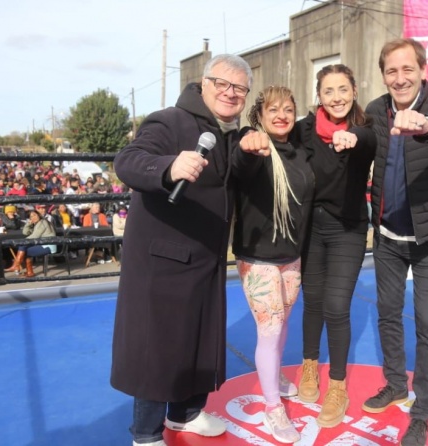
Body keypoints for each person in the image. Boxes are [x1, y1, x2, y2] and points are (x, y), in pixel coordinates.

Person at [110, 54, 252, 446]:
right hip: (163, 259)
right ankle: (146, 433)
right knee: (159, 349)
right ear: (203, 83)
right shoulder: (169, 120)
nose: (230, 93)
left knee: (200, 338)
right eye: (222, 83)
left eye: (239, 88)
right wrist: (169, 167)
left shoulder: (228, 134)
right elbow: (129, 161)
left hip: (205, 257)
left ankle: (186, 415)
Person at [362, 38, 428, 446]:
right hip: (389, 235)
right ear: (384, 75)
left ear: (422, 70)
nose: (400, 77)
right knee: (388, 313)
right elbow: (359, 138)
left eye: (407, 69)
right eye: (392, 70)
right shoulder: (377, 110)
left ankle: (422, 411)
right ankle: (395, 385)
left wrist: (427, 126)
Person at [296, 63, 377, 428]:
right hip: (312, 228)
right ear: (319, 96)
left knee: (336, 304)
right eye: (328, 91)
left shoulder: (364, 129)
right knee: (312, 301)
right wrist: (251, 133)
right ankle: (309, 365)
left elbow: (371, 143)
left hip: (348, 228)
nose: (337, 97)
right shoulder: (304, 131)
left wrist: (354, 139)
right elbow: (274, 129)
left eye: (343, 89)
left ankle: (338, 385)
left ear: (354, 90)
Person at [233, 86, 314, 443]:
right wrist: (248, 147)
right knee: (270, 328)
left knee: (282, 325)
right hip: (257, 256)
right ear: (260, 116)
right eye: (273, 109)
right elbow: (239, 164)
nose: (281, 114)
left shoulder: (299, 152)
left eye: (287, 108)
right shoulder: (255, 147)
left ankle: (276, 376)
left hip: (291, 255)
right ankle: (272, 407)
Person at [3, 210, 57, 278]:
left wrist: (23, 241)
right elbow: (25, 233)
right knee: (24, 248)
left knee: (23, 247)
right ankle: (29, 271)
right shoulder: (36, 224)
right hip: (42, 245)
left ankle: (17, 266)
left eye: (35, 215)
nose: (33, 217)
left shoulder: (43, 222)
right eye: (31, 217)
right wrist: (28, 224)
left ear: (38, 215)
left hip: (48, 246)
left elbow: (35, 236)